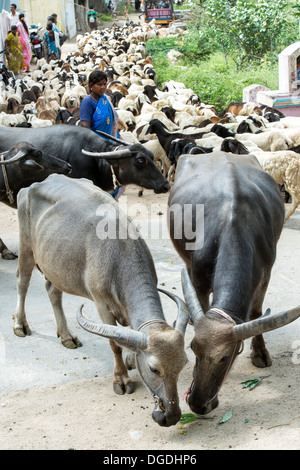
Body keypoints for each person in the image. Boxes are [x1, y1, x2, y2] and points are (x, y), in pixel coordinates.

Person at [80, 70, 124, 200]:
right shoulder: (87, 102)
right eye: (99, 84)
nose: (103, 87)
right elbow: (84, 126)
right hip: (96, 147)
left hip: (110, 144)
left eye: (105, 84)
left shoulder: (106, 100)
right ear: (91, 85)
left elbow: (113, 121)